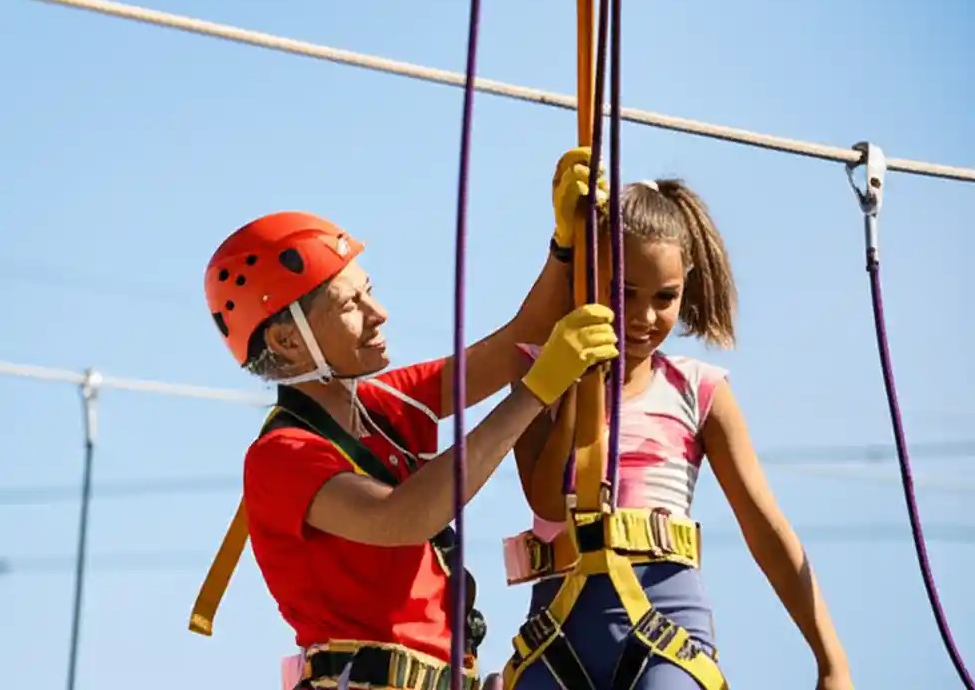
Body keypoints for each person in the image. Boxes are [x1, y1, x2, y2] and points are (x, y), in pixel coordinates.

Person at [199, 147, 620, 690]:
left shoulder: (386, 404)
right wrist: (534, 393)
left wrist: (563, 247)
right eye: (350, 305)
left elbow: (521, 341)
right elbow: (405, 515)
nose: (379, 314)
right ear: (287, 342)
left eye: (369, 293)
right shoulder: (281, 457)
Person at [500, 178, 853, 690]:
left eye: (665, 297)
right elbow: (549, 505)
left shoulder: (698, 390)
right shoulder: (538, 376)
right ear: (589, 280)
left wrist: (830, 659)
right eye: (624, 293)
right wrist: (574, 394)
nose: (644, 317)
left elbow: (764, 525)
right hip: (558, 629)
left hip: (665, 626)